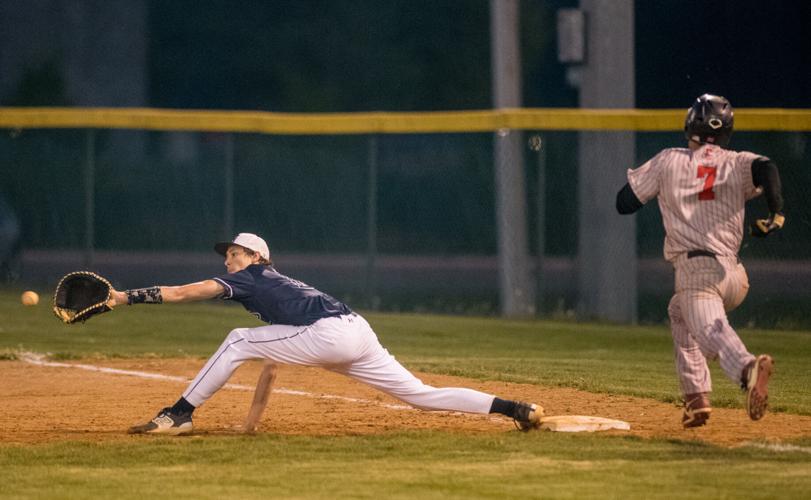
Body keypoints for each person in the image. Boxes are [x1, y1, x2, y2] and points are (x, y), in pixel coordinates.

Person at [114, 232, 543, 435]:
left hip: (330, 335)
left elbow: (184, 292)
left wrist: (123, 298)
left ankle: (178, 414)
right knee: (420, 395)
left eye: (233, 253)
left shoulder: (254, 278)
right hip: (357, 332)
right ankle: (514, 408)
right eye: (227, 255)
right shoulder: (279, 284)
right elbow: (273, 363)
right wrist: (250, 426)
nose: (227, 260)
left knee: (237, 339)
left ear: (257, 257)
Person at [615, 94, 784, 428]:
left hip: (698, 271)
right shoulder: (736, 161)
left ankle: (748, 368)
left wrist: (665, 191)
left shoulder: (669, 160)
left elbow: (624, 203)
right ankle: (696, 399)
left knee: (708, 327)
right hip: (734, 276)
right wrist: (776, 212)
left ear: (690, 125)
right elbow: (767, 167)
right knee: (679, 312)